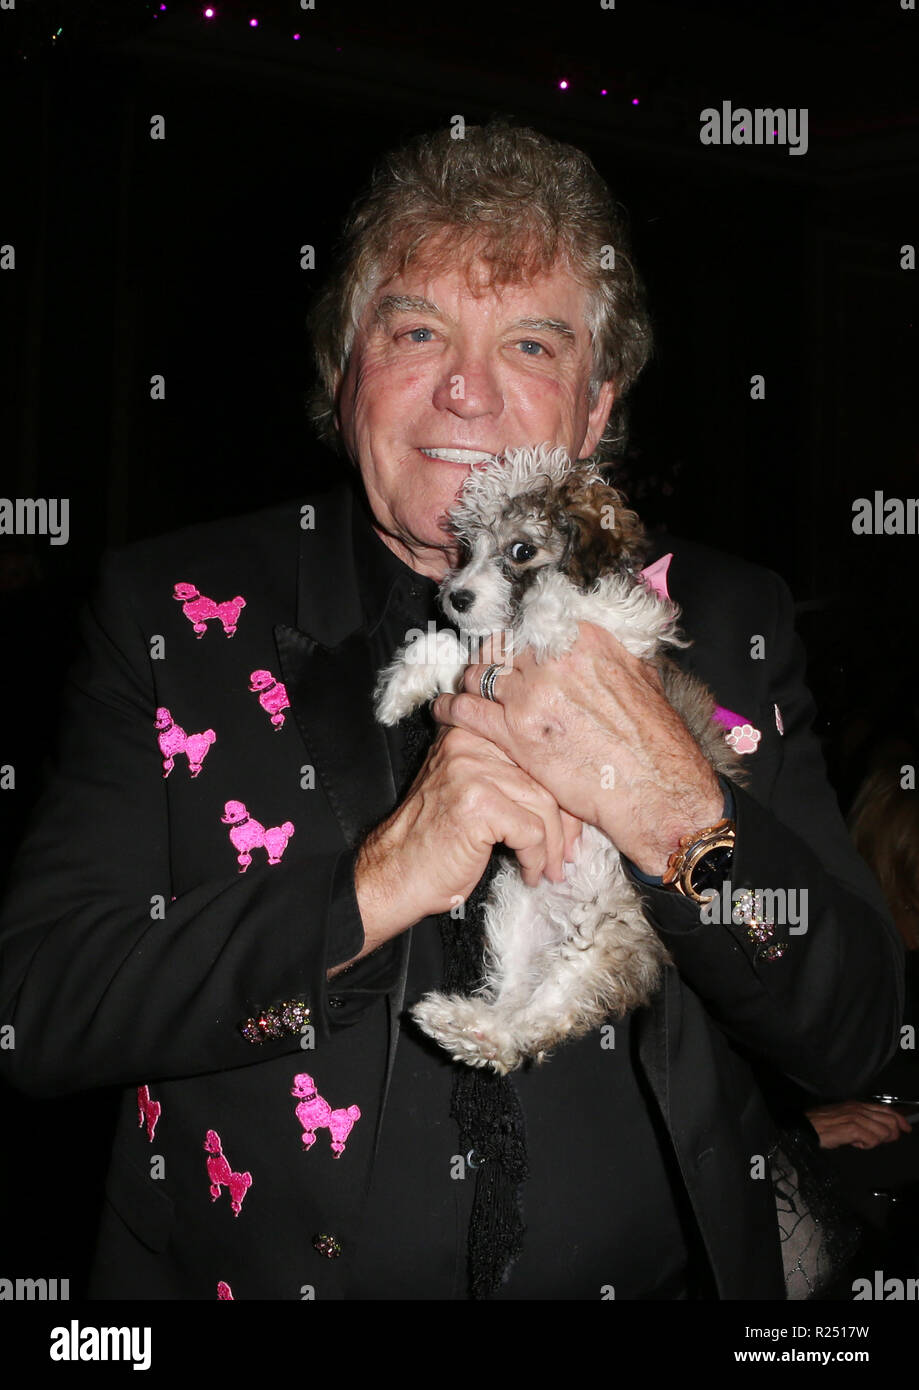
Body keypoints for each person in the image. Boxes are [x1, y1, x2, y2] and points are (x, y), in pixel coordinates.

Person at [0, 121, 904, 1301]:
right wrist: (377, 881)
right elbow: (39, 1007)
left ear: (592, 410)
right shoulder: (168, 609)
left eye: (529, 342)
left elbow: (862, 1033)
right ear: (348, 369)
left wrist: (682, 809)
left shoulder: (722, 620)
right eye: (416, 329)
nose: (465, 386)